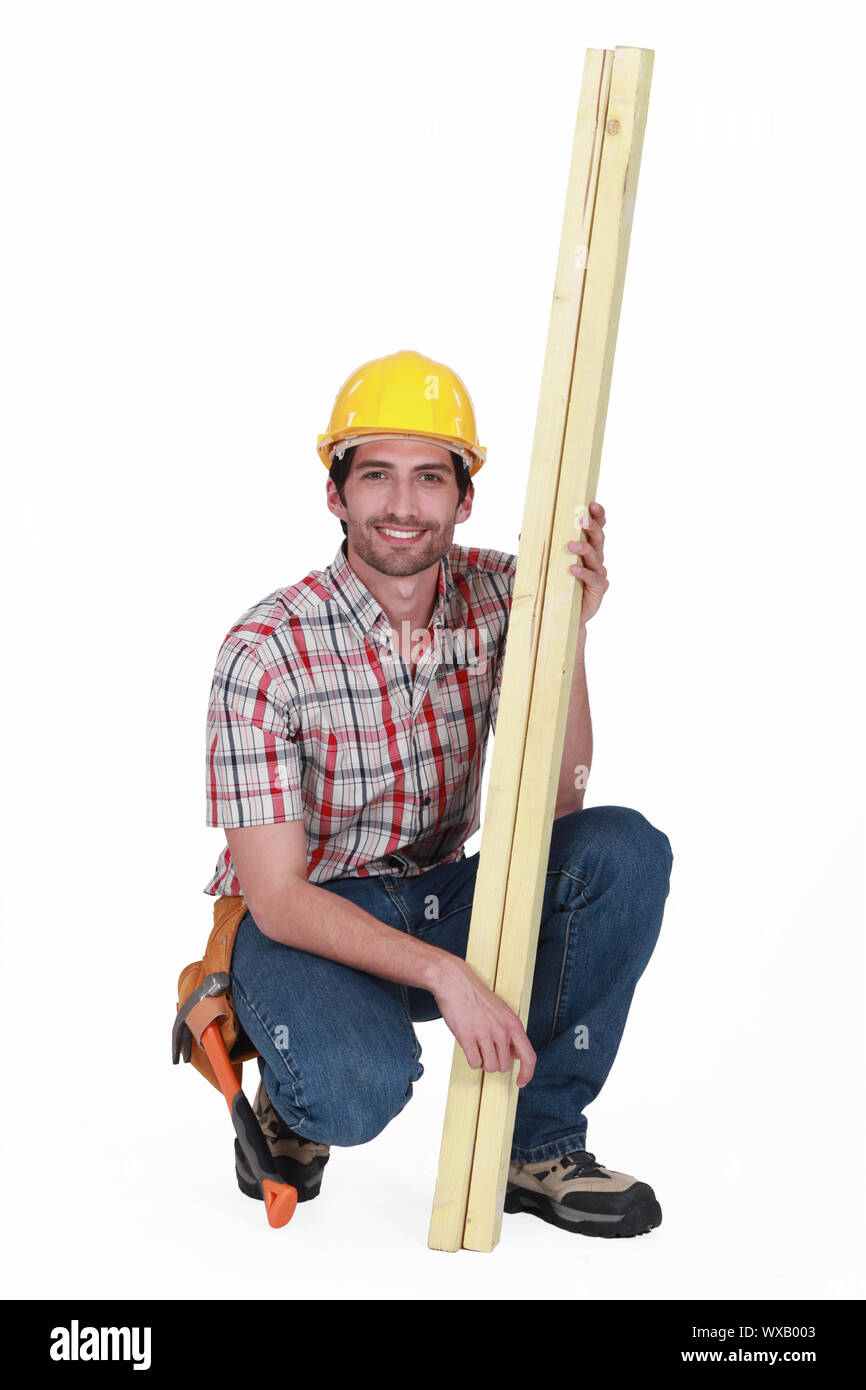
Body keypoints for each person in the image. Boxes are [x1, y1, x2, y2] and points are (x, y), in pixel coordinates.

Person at [204, 348, 673, 1237]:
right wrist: (445, 976)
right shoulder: (265, 648)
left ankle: (537, 1146)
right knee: (351, 1090)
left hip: (437, 891)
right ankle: (294, 1090)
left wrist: (565, 633)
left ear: (465, 498)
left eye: (430, 478)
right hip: (303, 921)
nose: (403, 505)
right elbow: (276, 893)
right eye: (376, 476)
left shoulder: (506, 596)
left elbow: (559, 806)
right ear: (336, 494)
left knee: (622, 853)